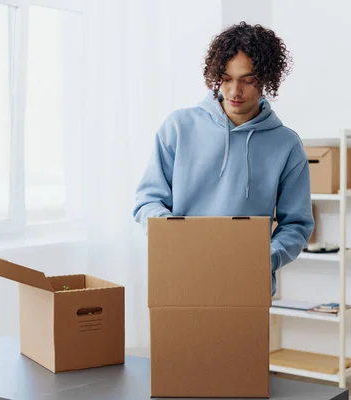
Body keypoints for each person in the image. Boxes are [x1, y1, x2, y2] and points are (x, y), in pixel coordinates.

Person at [132, 21, 314, 295]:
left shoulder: (286, 144)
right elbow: (147, 200)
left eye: (247, 80)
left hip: (247, 283)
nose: (234, 91)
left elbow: (297, 224)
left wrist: (267, 258)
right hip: (179, 274)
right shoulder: (179, 127)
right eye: (226, 79)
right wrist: (172, 232)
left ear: (266, 79)